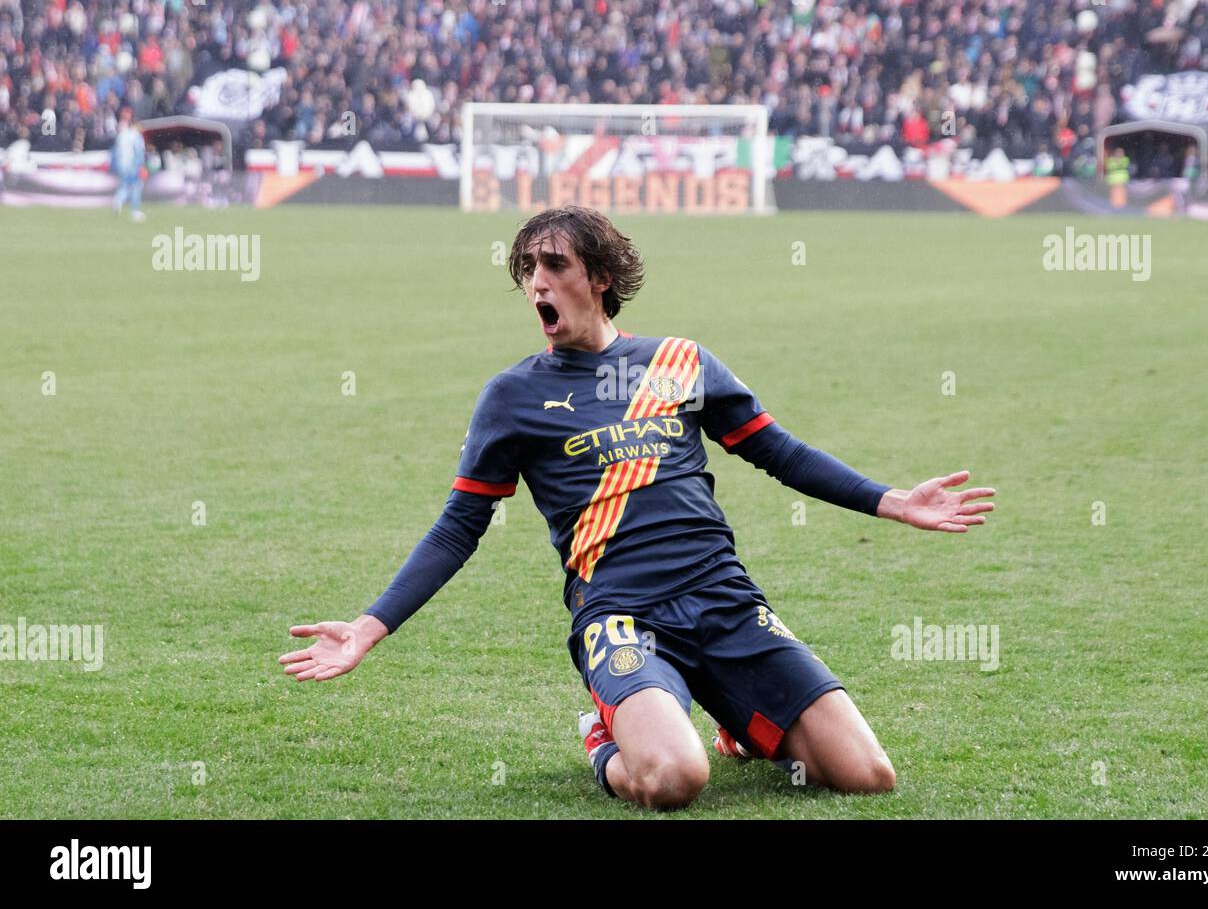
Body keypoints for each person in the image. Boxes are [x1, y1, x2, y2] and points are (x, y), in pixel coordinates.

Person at [278, 207, 997, 810]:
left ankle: (739, 719)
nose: (537, 282)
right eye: (527, 269)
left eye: (553, 264)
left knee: (868, 777)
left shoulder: (682, 363)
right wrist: (371, 627)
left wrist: (893, 501)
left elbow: (779, 452)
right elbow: (459, 526)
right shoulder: (513, 397)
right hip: (622, 614)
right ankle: (605, 733)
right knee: (673, 782)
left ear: (599, 278)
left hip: (724, 600)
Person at [110, 107, 147, 221]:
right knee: (136, 186)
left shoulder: (121, 135)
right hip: (132, 164)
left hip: (121, 164)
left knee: (125, 185)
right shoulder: (136, 136)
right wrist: (139, 166)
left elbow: (115, 151)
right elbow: (139, 152)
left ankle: (118, 200)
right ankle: (135, 211)